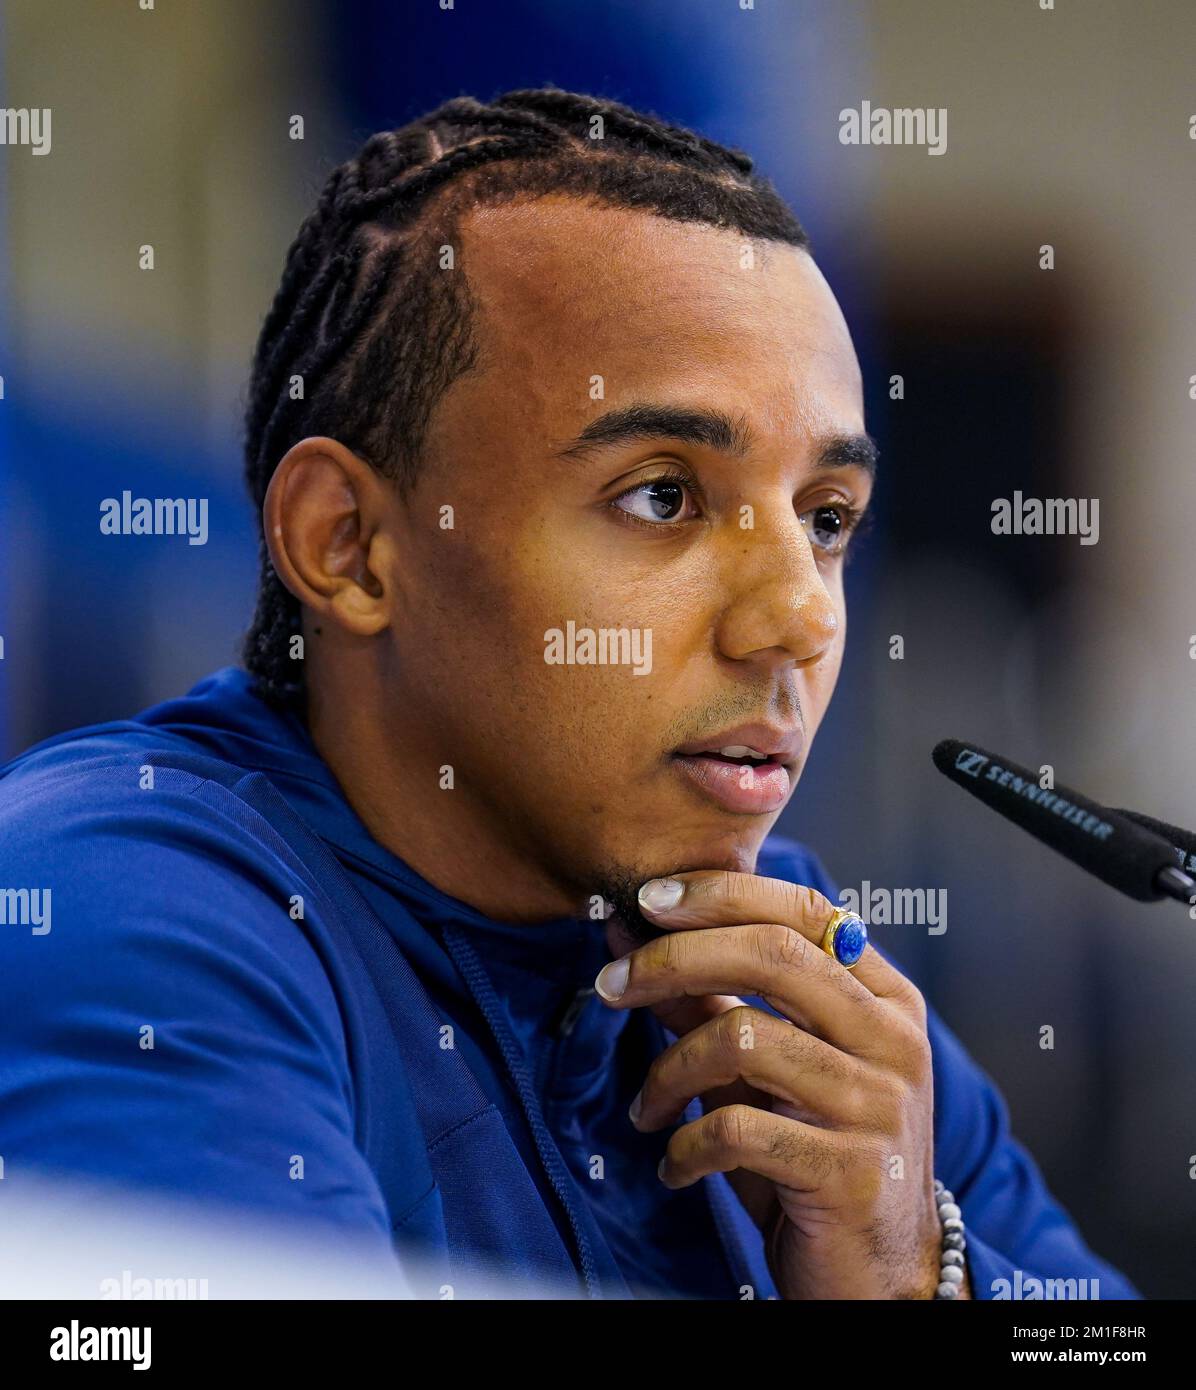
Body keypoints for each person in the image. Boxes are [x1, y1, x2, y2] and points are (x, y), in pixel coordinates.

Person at [0, 87, 1139, 1300]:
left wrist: (912, 1273)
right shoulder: (125, 903)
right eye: (661, 496)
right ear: (348, 545)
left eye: (825, 520)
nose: (799, 614)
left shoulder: (789, 955)